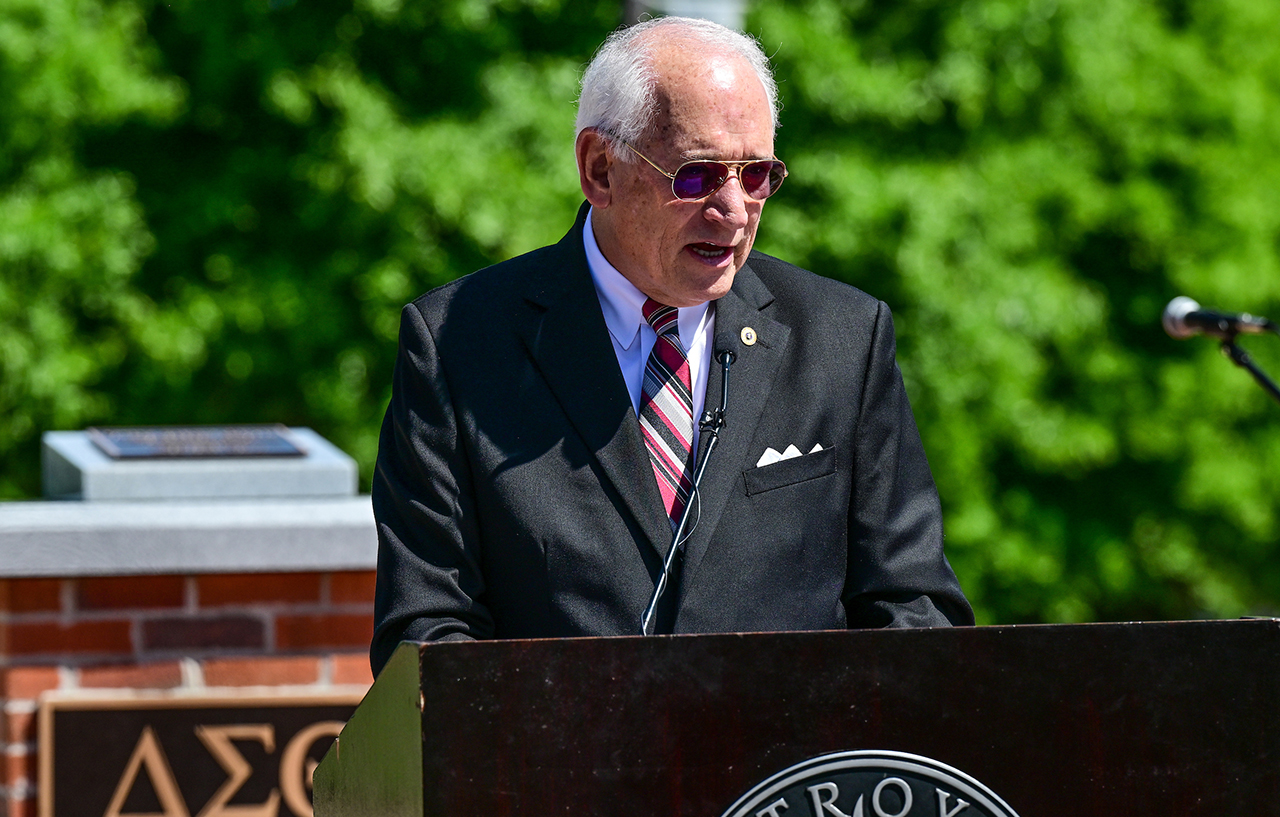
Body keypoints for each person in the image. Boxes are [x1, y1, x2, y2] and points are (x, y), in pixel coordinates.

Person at [370, 16, 973, 675]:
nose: (735, 209)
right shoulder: (460, 343)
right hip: (562, 768)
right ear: (600, 168)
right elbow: (425, 636)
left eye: (757, 174)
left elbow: (914, 611)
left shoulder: (843, 338)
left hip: (793, 770)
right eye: (698, 175)